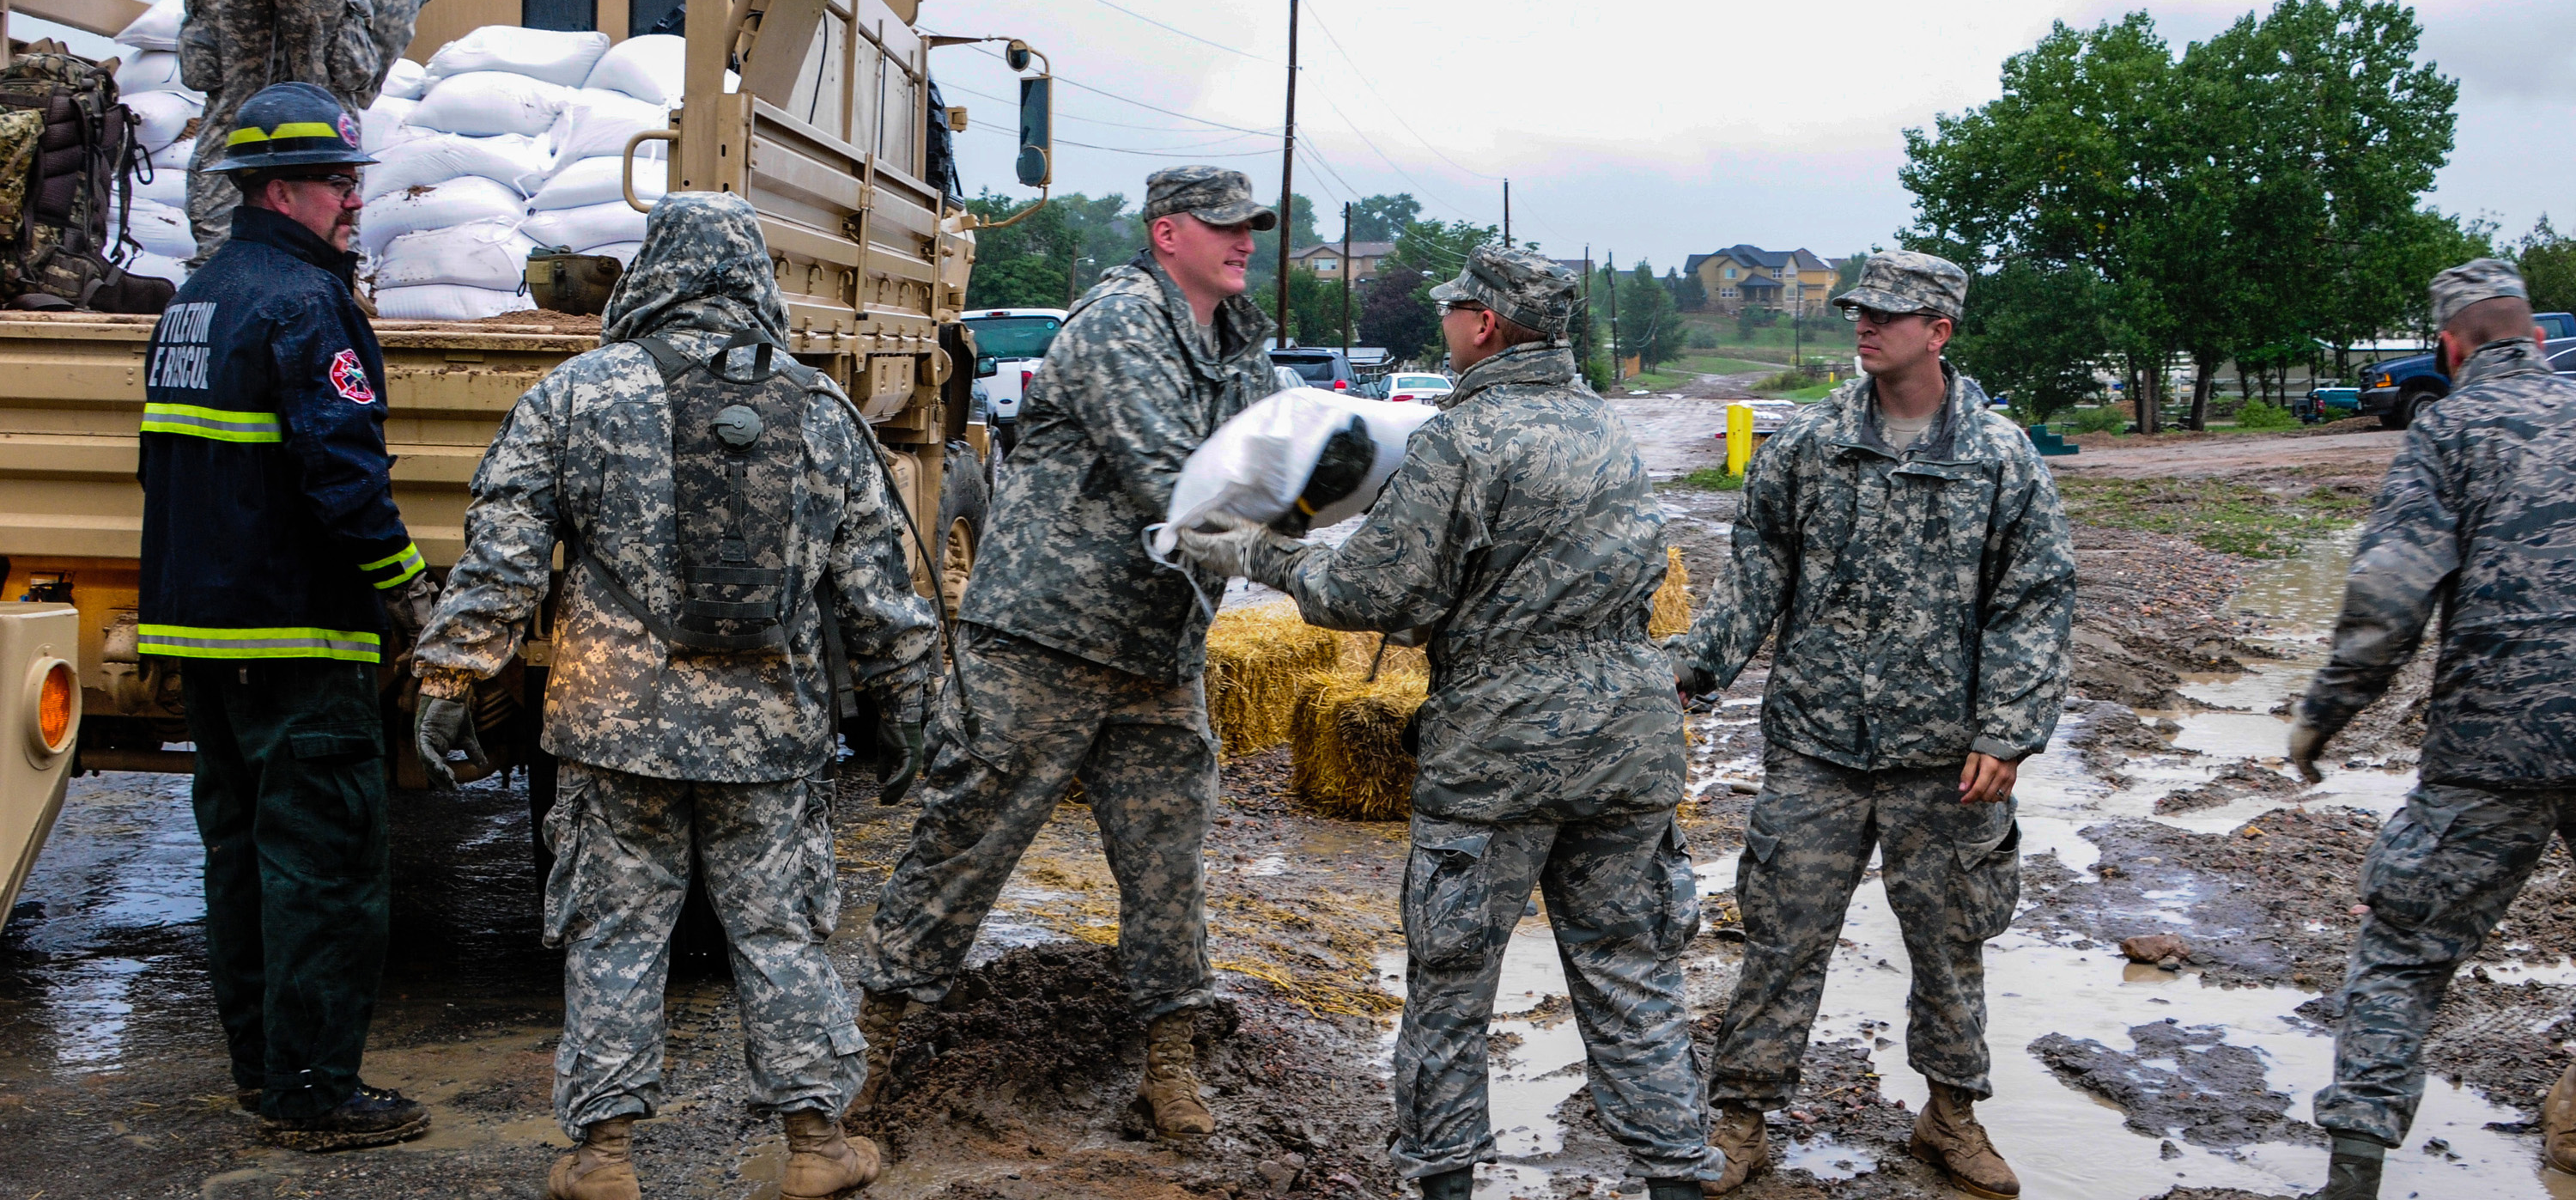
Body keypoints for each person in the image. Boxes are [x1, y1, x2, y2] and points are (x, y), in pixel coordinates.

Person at [406, 191, 933, 1200]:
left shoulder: (577, 394)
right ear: (754, 276)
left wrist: (452, 674)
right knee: (779, 931)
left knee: (614, 929)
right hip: (769, 734)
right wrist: (907, 706)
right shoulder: (819, 408)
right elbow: (879, 587)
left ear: (654, 269)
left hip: (615, 730)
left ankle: (603, 1158)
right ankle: (816, 1146)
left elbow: (502, 555)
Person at [1176, 244, 1725, 1200]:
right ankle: (1677, 1177)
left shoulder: (1459, 440)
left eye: (1455, 311)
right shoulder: (1605, 430)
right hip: (1631, 741)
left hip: (1500, 748)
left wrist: (1252, 553)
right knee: (1633, 978)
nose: (1446, 324)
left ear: (1486, 325)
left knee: (1452, 988)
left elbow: (1367, 589)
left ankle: (1443, 1182)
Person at [854, 166, 1279, 1138]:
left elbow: (1283, 456)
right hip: (1045, 642)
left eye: (1252, 224)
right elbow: (1179, 481)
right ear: (1167, 234)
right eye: (1224, 226)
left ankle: (1168, 1071)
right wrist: (1298, 560)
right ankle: (863, 1062)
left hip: (1156, 650)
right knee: (965, 849)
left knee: (1168, 867)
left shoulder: (1241, 343)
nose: (1246, 239)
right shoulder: (1118, 323)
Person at [1667, 250, 2075, 1199]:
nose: (1864, 324)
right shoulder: (1810, 444)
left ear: (1939, 330)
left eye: (1888, 314)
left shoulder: (1999, 455)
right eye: (1859, 309)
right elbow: (1756, 574)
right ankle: (1740, 1119)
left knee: (1950, 941)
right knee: (1781, 934)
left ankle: (1950, 1117)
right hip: (1818, 745)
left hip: (1948, 759)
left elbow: (2035, 599)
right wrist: (1691, 672)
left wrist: (2007, 728)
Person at [136, 81, 440, 1149]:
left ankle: (267, 1075)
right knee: (324, 865)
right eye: (334, 182)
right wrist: (407, 590)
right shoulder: (305, 304)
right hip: (297, 636)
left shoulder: (198, 296)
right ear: (278, 188)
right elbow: (342, 474)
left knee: (244, 864)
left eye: (353, 179)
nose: (353, 200)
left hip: (208, 635)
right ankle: (315, 1094)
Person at [2292, 259, 2576, 1199]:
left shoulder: (2448, 428)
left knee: (2403, 952)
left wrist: (2325, 717)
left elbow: (2388, 598)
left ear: (2450, 350)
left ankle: (2354, 1175)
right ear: (2537, 337)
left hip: (2497, 744)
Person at [178, 0, 437, 262]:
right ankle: (333, 271)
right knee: (326, 113)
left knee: (232, 112)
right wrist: (360, 78)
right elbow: (398, 4)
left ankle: (215, 266)